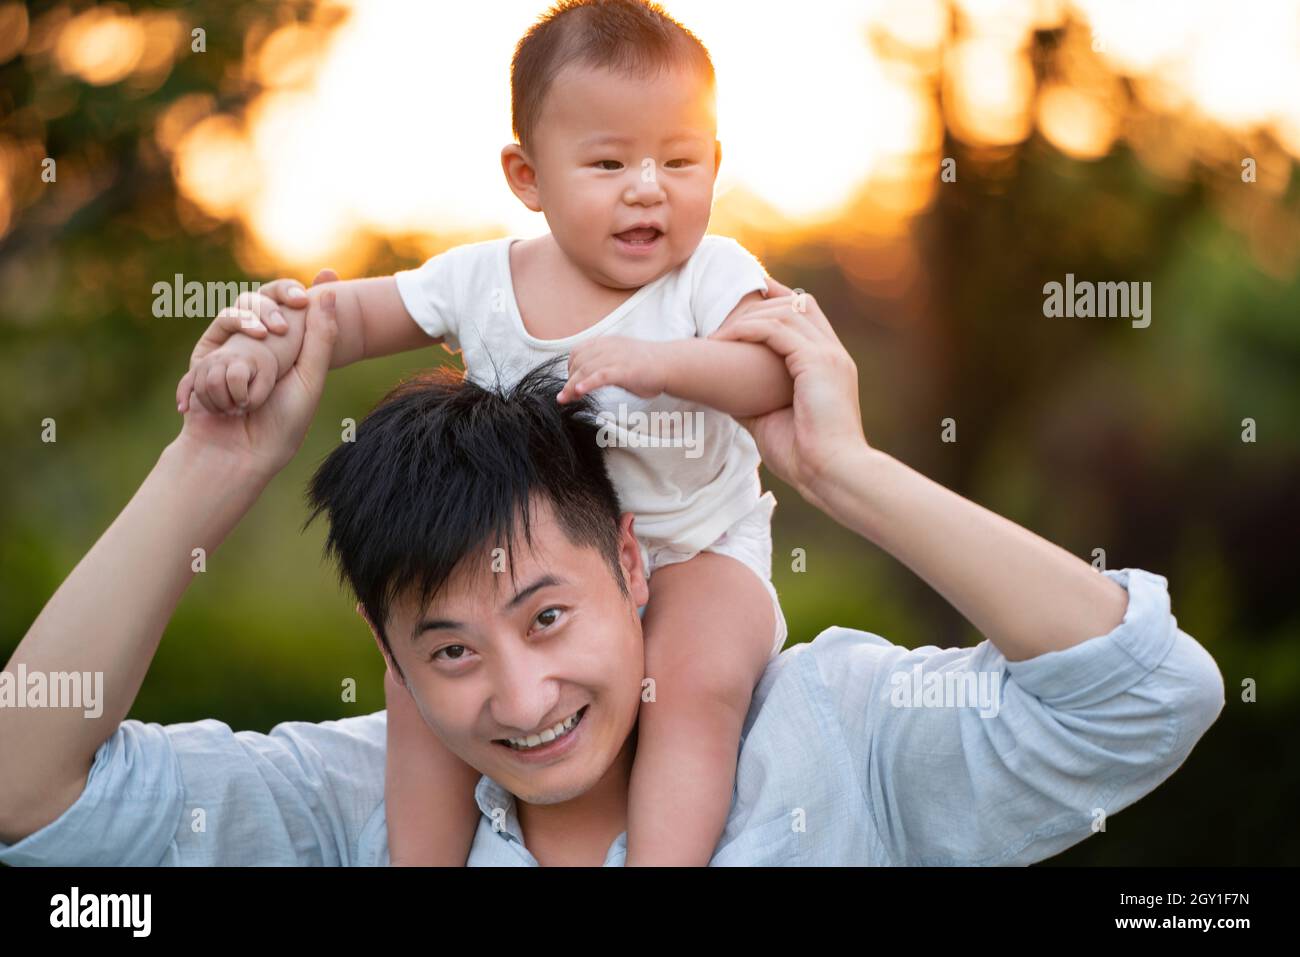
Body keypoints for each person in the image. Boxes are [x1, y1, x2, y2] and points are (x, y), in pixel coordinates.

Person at [0, 277, 1225, 866]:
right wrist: (209, 467)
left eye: (546, 615)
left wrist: (844, 473)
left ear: (631, 560)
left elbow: (1145, 697)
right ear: (388, 658)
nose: (522, 699)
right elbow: (23, 791)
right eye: (451, 651)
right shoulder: (349, 808)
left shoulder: (837, 740)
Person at [174, 0, 794, 866]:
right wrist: (262, 340)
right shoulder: (484, 279)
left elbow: (772, 372)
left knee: (690, 687)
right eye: (609, 161)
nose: (648, 186)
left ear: (714, 163)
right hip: (526, 559)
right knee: (421, 681)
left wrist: (665, 364)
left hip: (698, 548)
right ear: (528, 176)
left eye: (679, 160)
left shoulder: (711, 276)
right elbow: (350, 318)